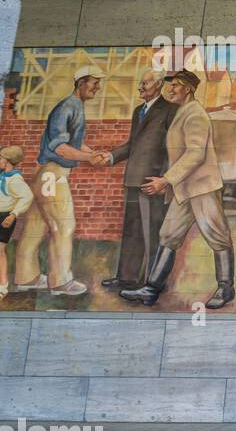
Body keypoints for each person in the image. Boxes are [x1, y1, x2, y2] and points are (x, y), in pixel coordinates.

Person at [121, 70, 235, 309]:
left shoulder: (195, 115)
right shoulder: (181, 112)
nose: (170, 90)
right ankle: (151, 289)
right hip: (185, 188)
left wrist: (166, 180)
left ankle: (226, 288)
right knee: (168, 235)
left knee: (217, 235)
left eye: (176, 86)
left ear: (189, 89)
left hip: (202, 187)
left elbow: (195, 153)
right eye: (170, 86)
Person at [13, 65, 107, 296]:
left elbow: (72, 143)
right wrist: (88, 157)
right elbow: (60, 147)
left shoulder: (73, 107)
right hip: (53, 173)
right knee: (64, 225)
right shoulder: (68, 106)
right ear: (82, 83)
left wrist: (92, 153)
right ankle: (60, 282)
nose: (97, 87)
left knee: (36, 227)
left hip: (45, 173)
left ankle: (26, 277)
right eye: (94, 83)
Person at [101, 74, 178, 290]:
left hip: (152, 182)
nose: (140, 87)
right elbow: (133, 144)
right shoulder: (139, 111)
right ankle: (127, 277)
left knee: (153, 233)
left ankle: (152, 283)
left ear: (158, 85)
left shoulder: (171, 111)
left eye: (144, 83)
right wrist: (111, 156)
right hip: (133, 179)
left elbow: (174, 149)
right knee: (132, 231)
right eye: (141, 83)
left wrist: (164, 180)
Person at [0, 146, 34, 300]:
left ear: (7, 162)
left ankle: (3, 286)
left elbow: (27, 197)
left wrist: (13, 215)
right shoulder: (2, 175)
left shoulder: (14, 180)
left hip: (5, 218)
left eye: (0, 159)